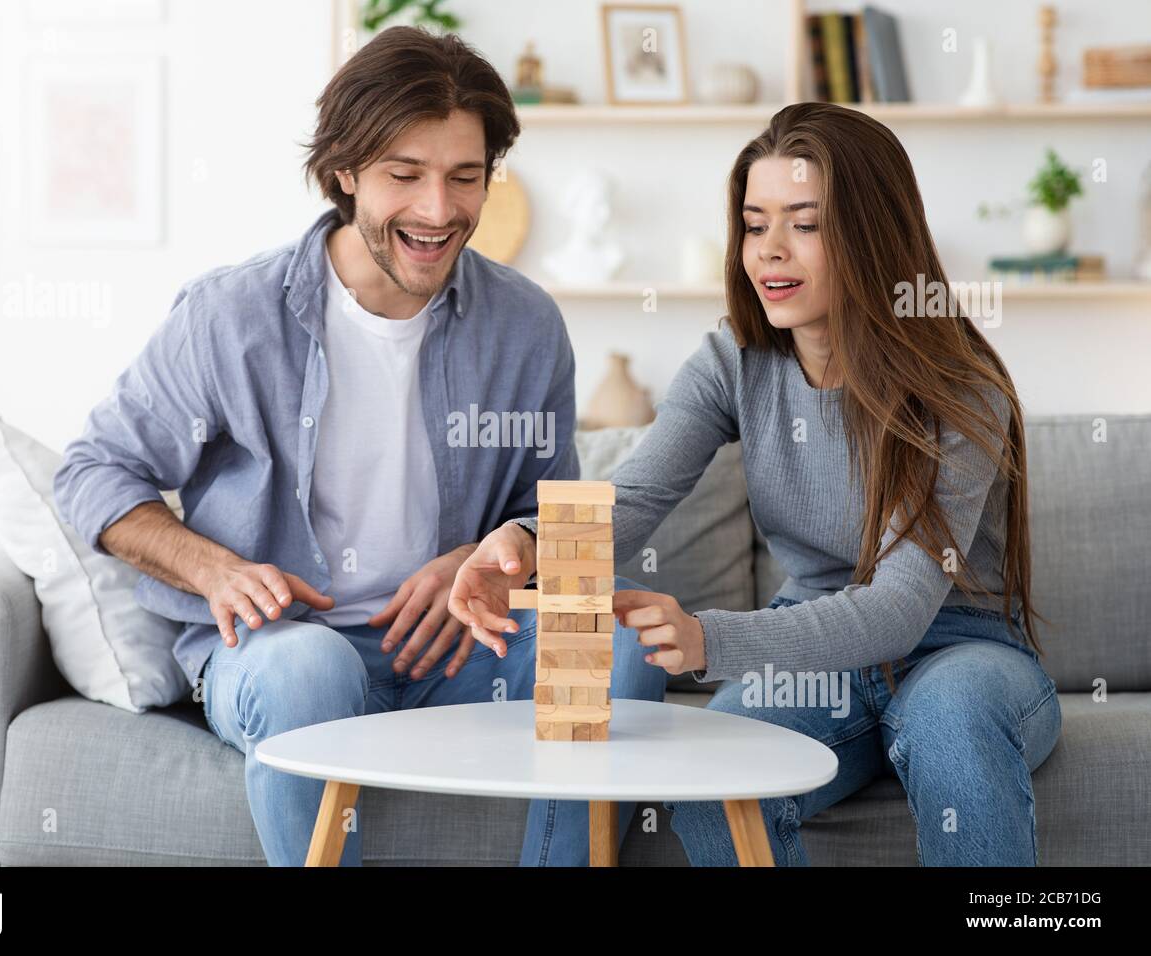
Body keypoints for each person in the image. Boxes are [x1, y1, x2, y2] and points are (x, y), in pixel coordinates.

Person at [53, 26, 666, 867]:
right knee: (307, 668)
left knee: (620, 642)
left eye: (464, 177)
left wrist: (497, 556)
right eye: (404, 176)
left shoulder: (526, 326)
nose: (438, 211)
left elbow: (554, 515)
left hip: (459, 648)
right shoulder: (231, 318)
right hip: (285, 649)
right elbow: (93, 471)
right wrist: (216, 572)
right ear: (345, 173)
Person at [450, 101, 1061, 866]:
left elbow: (901, 608)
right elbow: (635, 497)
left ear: (873, 234)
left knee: (953, 716)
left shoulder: (958, 390)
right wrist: (523, 545)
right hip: (811, 660)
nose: (771, 251)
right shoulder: (734, 361)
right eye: (754, 223)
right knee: (711, 771)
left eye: (805, 224)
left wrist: (712, 638)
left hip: (960, 650)